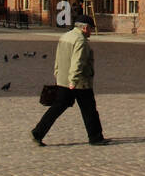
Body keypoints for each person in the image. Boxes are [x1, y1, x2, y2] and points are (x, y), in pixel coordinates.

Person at [31, 14, 109, 146]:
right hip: (79, 82)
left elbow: (58, 57)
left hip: (63, 79)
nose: (91, 32)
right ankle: (95, 137)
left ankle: (38, 132)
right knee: (89, 109)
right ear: (85, 28)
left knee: (57, 107)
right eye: (91, 28)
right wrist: (73, 80)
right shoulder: (80, 41)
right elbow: (78, 62)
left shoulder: (65, 36)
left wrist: (57, 72)